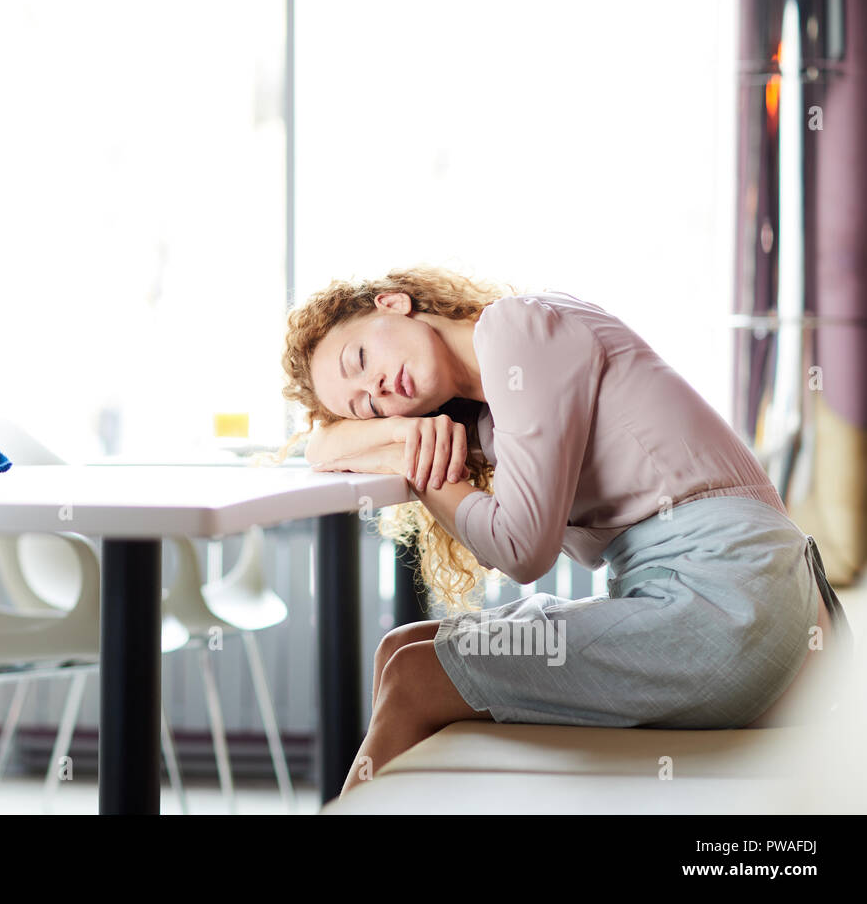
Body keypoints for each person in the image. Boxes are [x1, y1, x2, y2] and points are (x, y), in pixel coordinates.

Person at [271, 264, 853, 796]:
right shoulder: (495, 413)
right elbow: (321, 448)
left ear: (393, 303)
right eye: (365, 407)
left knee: (415, 675)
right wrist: (374, 438)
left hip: (732, 598)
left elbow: (523, 551)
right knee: (401, 647)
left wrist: (414, 467)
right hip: (739, 595)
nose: (375, 391)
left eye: (359, 361)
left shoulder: (515, 330)